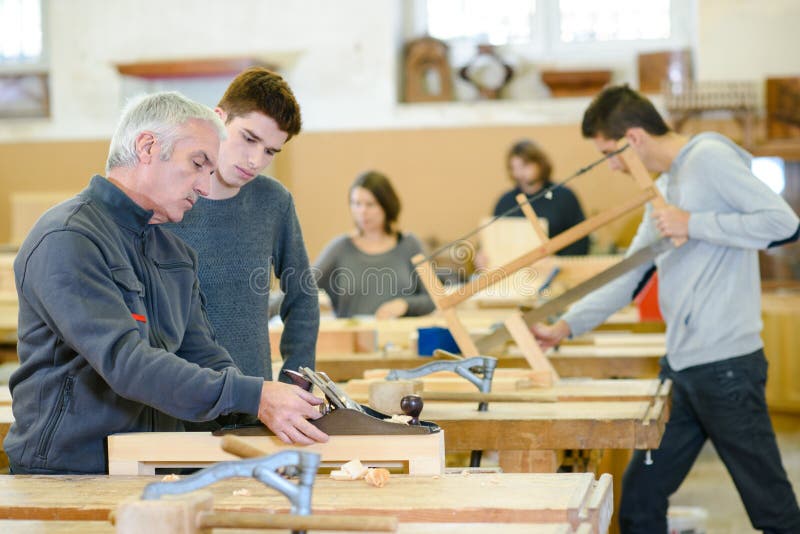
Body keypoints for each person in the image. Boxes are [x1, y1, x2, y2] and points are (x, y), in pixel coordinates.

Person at [5, 92, 327, 475]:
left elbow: (203, 353)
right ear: (147, 147)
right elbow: (127, 364)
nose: (205, 187)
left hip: (153, 461)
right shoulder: (68, 238)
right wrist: (254, 395)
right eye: (197, 164)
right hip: (69, 471)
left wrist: (264, 414)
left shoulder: (174, 253)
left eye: (210, 170)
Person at [531, 85, 800, 533]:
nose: (612, 165)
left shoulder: (708, 158)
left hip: (726, 368)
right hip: (682, 369)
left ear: (633, 138)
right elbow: (629, 274)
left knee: (773, 513)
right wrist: (565, 327)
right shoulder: (664, 186)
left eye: (609, 154)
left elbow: (784, 224)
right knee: (638, 503)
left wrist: (693, 223)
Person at [168, 67, 317, 383]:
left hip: (253, 403)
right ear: (218, 118)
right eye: (249, 139)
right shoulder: (169, 199)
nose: (255, 160)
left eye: (270, 151)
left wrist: (296, 385)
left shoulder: (274, 201)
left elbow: (302, 295)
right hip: (177, 404)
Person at [314, 170, 435, 319]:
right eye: (356, 204)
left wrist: (405, 305)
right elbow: (301, 287)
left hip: (400, 338)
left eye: (370, 204)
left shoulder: (410, 245)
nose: (362, 211)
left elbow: (434, 299)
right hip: (353, 338)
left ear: (386, 205)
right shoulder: (339, 249)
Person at [492, 139, 589, 255]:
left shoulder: (564, 196)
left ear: (540, 163)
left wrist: (558, 262)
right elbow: (494, 240)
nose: (520, 172)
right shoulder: (505, 202)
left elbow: (581, 239)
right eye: (515, 168)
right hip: (518, 270)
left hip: (559, 268)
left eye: (525, 165)